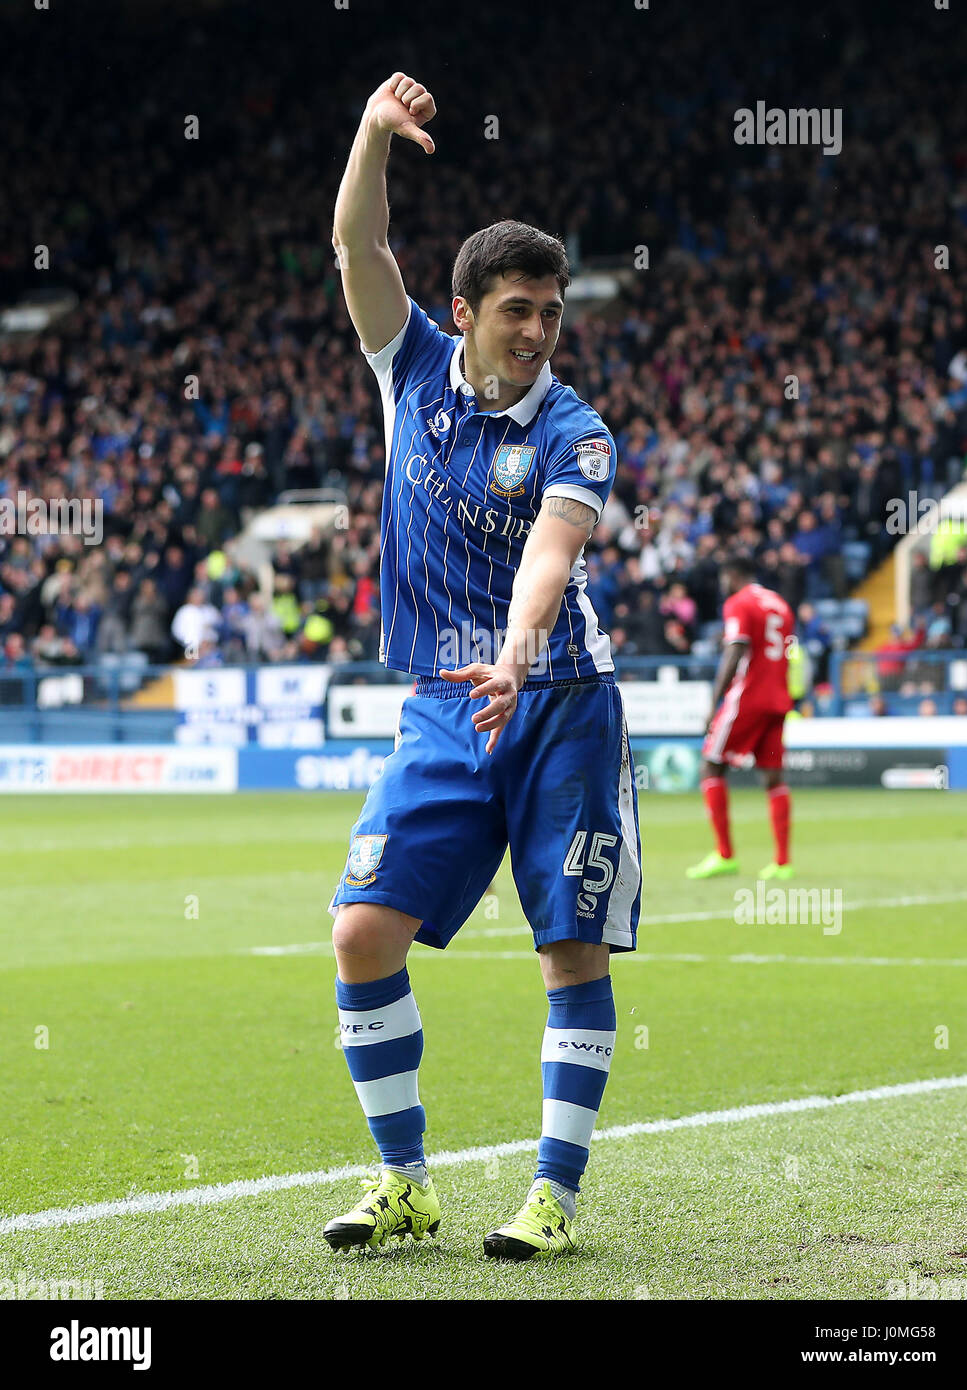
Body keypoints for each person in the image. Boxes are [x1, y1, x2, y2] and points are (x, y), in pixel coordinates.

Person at [322, 73, 641, 1262]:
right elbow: (356, 240)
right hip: (440, 707)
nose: (537, 329)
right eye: (515, 308)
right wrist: (369, 133)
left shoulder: (576, 429)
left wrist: (512, 658)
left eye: (550, 310)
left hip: (557, 701)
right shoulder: (404, 369)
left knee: (568, 947)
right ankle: (404, 1179)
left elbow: (548, 560)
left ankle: (551, 1194)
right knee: (362, 933)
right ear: (459, 311)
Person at [686, 555, 795, 880]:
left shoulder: (739, 602)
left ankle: (724, 855)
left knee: (710, 765)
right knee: (773, 777)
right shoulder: (780, 604)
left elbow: (735, 650)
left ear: (733, 574)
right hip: (778, 699)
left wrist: (714, 702)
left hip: (749, 697)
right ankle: (782, 862)